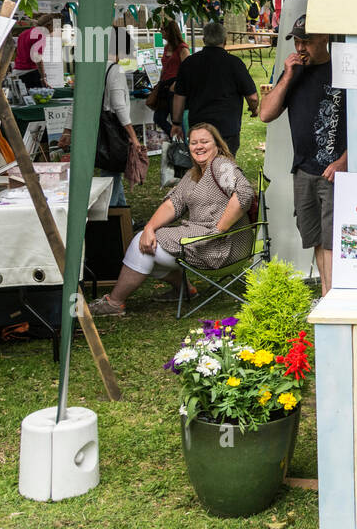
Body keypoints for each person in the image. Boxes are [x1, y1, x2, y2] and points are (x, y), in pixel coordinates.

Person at [259, 15, 357, 293]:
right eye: (297, 41)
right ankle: (327, 291)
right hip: (303, 168)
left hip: (334, 170)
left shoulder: (344, 70)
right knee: (314, 235)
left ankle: (331, 294)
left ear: (325, 38)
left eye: (307, 41)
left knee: (333, 236)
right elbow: (265, 113)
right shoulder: (293, 73)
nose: (301, 47)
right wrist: (287, 76)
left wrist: (344, 160)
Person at [89, 123, 255, 316]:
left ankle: (114, 303)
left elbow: (243, 193)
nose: (198, 146)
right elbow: (173, 203)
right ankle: (184, 289)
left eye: (204, 142)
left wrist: (220, 229)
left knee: (140, 245)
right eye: (194, 142)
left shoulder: (221, 165)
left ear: (217, 145)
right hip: (206, 238)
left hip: (224, 245)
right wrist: (150, 227)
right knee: (146, 240)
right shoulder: (195, 173)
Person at [171, 20, 258, 154]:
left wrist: (176, 123)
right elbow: (252, 97)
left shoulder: (189, 63)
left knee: (201, 168)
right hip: (227, 129)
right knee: (226, 169)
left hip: (198, 128)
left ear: (204, 40)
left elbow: (179, 96)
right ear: (225, 40)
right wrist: (253, 110)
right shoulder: (235, 63)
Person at [100, 58, 143, 208]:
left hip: (103, 130)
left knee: (113, 172)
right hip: (114, 130)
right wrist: (133, 136)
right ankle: (110, 218)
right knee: (111, 173)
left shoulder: (95, 68)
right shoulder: (115, 69)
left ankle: (124, 217)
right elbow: (118, 105)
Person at [153, 18, 188, 136]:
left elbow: (188, 69)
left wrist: (178, 83)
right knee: (158, 117)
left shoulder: (182, 48)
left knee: (176, 120)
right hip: (164, 86)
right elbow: (165, 66)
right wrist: (159, 82)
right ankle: (176, 139)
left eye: (162, 29)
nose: (160, 32)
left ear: (169, 31)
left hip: (175, 88)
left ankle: (182, 144)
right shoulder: (166, 47)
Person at [11, 14, 53, 89]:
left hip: (18, 71)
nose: (53, 31)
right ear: (48, 25)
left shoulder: (24, 33)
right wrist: (43, 77)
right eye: (54, 28)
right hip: (30, 73)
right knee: (39, 98)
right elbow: (37, 58)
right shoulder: (40, 35)